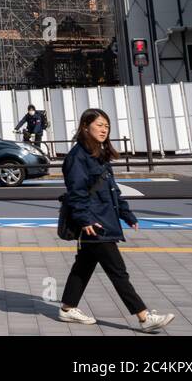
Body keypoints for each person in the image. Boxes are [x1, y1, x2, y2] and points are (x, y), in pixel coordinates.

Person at [57, 108, 175, 332]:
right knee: (117, 271)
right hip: (95, 224)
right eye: (99, 125)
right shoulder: (77, 157)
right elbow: (77, 192)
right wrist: (85, 220)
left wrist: (126, 214)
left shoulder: (98, 154)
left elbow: (112, 190)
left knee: (84, 266)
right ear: (85, 126)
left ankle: (67, 308)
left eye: (107, 126)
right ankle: (143, 317)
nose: (104, 130)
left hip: (102, 219)